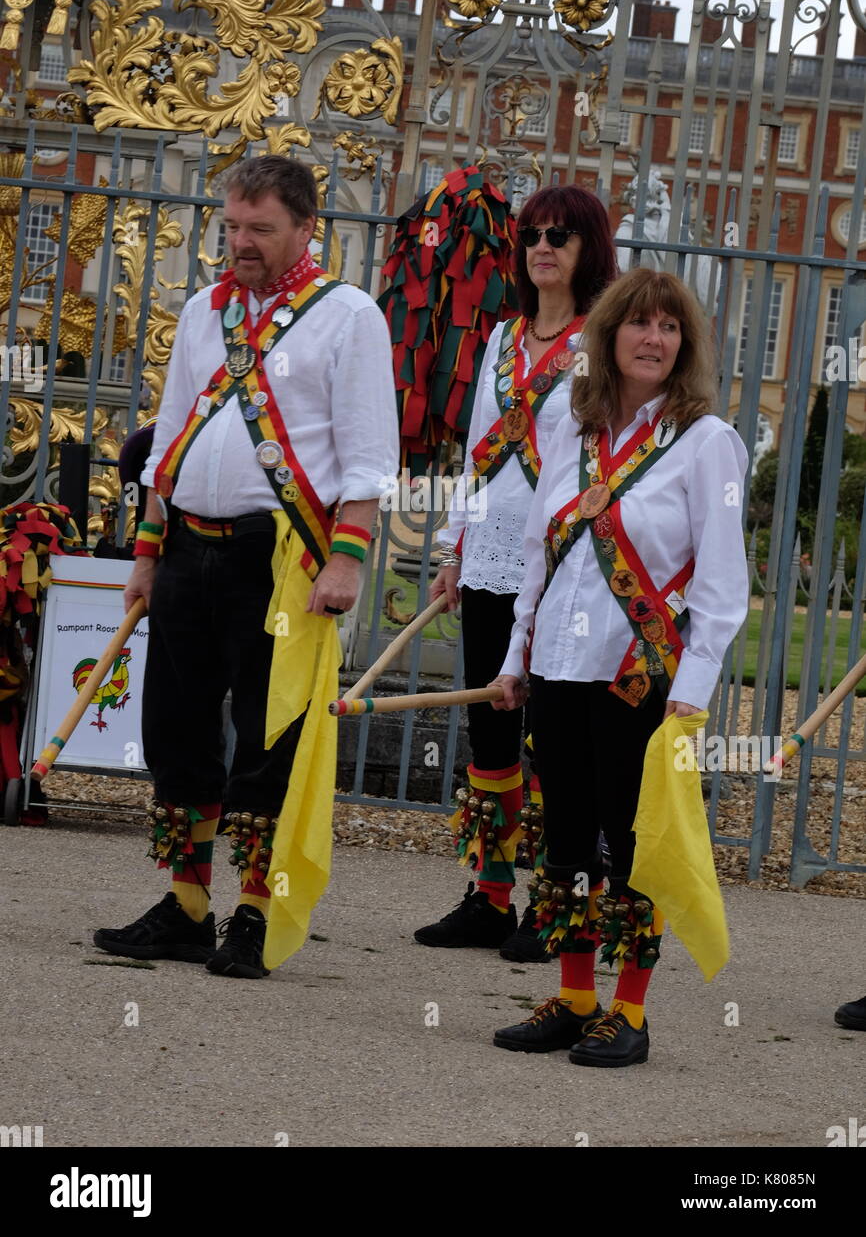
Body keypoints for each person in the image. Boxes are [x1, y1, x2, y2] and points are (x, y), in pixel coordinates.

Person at [93, 155, 398, 978]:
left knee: (272, 731)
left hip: (285, 552)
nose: (241, 242)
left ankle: (256, 910)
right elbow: (168, 437)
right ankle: (189, 905)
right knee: (177, 725)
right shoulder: (204, 310)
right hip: (189, 542)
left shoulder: (348, 315)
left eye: (260, 228)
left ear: (306, 227)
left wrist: (347, 560)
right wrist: (148, 553)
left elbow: (368, 456)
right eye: (231, 225)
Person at [490, 267, 749, 1065]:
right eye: (639, 324)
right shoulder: (574, 431)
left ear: (685, 345)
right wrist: (514, 657)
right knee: (563, 836)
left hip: (642, 675)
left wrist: (693, 692)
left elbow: (722, 584)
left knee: (632, 847)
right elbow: (539, 552)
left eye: (670, 327)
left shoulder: (707, 443)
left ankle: (629, 1014)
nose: (653, 339)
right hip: (561, 667)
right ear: (609, 337)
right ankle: (574, 997)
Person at [414, 185, 617, 959]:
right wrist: (455, 546)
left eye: (561, 235)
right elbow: (475, 452)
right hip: (492, 557)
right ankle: (491, 894)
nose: (544, 246)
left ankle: (559, 903)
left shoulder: (606, 340)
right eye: (532, 233)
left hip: (564, 566)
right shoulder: (501, 338)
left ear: (587, 246)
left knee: (557, 741)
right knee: (490, 734)